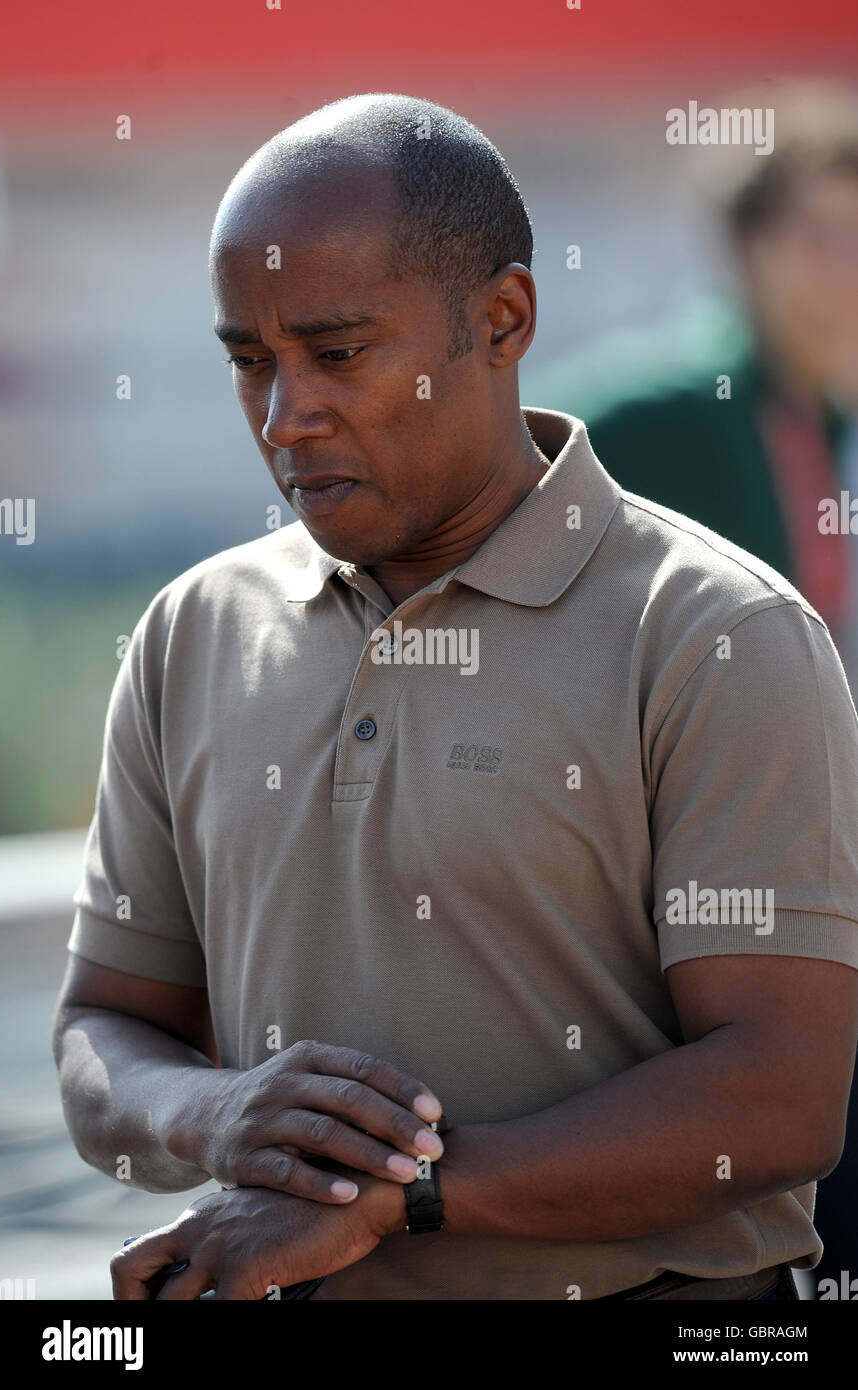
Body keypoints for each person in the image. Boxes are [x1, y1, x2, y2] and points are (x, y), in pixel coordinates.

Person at [52, 92, 858, 1301]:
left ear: (500, 319)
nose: (285, 416)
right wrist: (221, 1117)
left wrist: (400, 1195)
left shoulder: (715, 634)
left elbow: (779, 1097)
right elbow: (99, 1033)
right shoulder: (190, 632)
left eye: (336, 352)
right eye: (248, 362)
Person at [523, 83, 858, 1289]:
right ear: (747, 253)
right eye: (818, 236)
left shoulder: (826, 414)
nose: (845, 268)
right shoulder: (663, 410)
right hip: (666, 901)